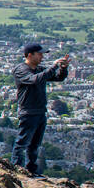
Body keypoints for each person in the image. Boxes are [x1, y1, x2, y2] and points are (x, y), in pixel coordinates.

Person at [12, 42, 70, 177]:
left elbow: (58, 78)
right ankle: (15, 170)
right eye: (39, 54)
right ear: (29, 55)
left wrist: (63, 68)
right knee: (22, 143)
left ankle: (31, 171)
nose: (42, 57)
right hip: (28, 111)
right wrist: (54, 65)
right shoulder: (21, 70)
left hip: (40, 112)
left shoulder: (39, 69)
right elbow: (34, 80)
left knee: (34, 145)